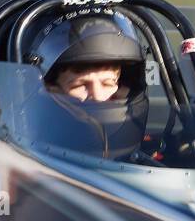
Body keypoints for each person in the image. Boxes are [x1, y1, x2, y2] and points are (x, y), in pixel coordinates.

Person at [32, 13, 152, 160]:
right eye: (80, 85)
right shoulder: (31, 150)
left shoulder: (146, 151)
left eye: (107, 83)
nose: (97, 96)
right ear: (51, 88)